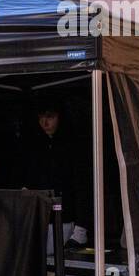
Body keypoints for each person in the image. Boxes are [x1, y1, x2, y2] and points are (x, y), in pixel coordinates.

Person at [21, 102, 89, 248]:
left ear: (60, 117)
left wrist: (81, 227)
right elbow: (31, 180)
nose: (44, 122)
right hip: (41, 219)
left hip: (65, 220)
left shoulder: (73, 147)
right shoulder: (37, 147)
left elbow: (82, 186)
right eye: (41, 118)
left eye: (49, 117)